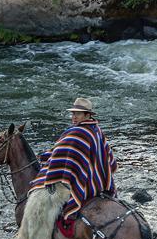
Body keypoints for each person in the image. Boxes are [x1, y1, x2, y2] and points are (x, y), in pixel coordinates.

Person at [31, 97, 118, 231]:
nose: (74, 117)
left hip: (85, 183)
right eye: (73, 113)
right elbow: (108, 158)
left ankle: (47, 230)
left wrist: (44, 157)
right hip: (98, 182)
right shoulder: (96, 129)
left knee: (41, 194)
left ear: (87, 115)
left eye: (77, 114)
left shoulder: (78, 132)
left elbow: (58, 155)